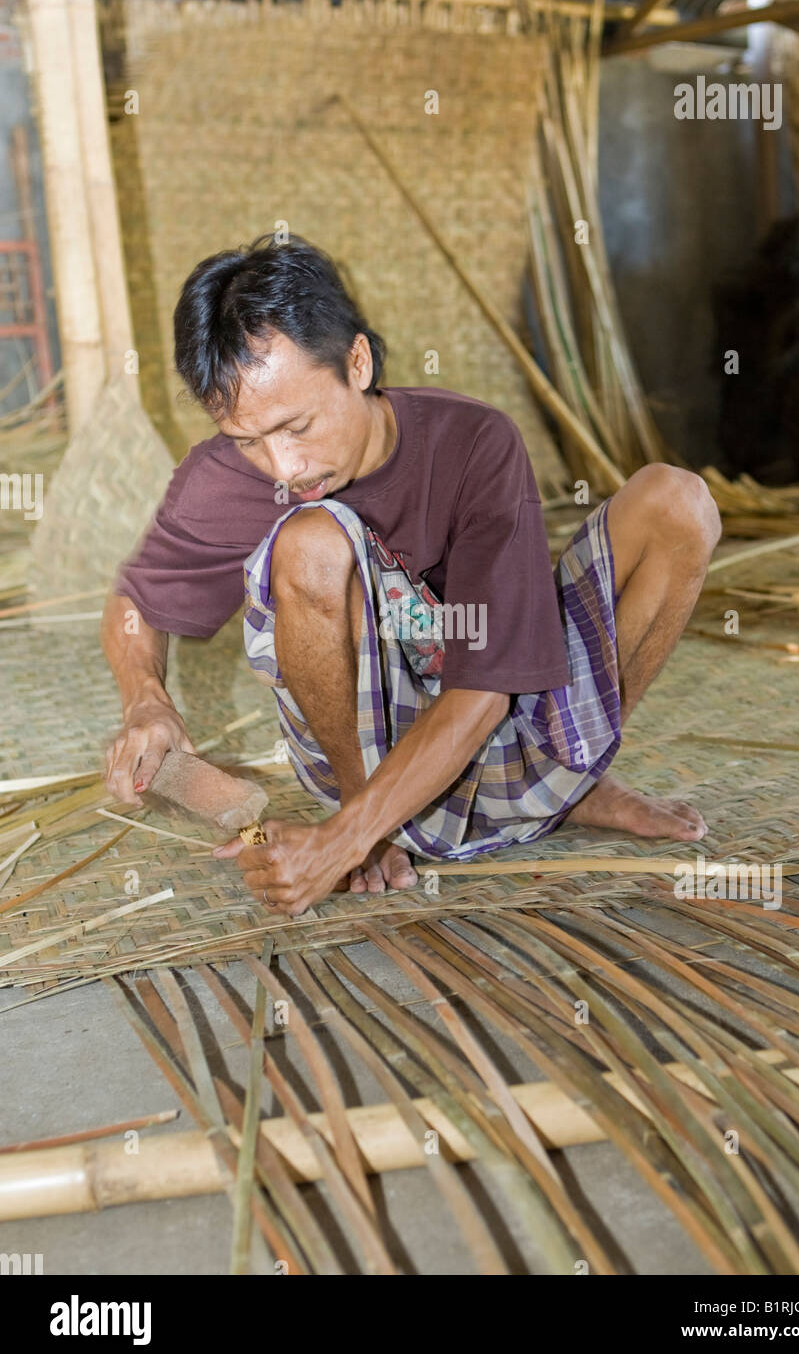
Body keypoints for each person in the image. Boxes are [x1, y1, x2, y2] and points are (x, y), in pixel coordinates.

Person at [102, 234, 721, 918]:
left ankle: (572, 781)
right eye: (250, 440)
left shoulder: (476, 443)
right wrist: (145, 701)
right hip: (363, 751)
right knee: (311, 539)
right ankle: (370, 807)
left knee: (677, 502)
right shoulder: (224, 476)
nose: (283, 467)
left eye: (298, 426)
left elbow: (487, 689)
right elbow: (138, 602)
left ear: (357, 361)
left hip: (502, 720)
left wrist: (336, 845)